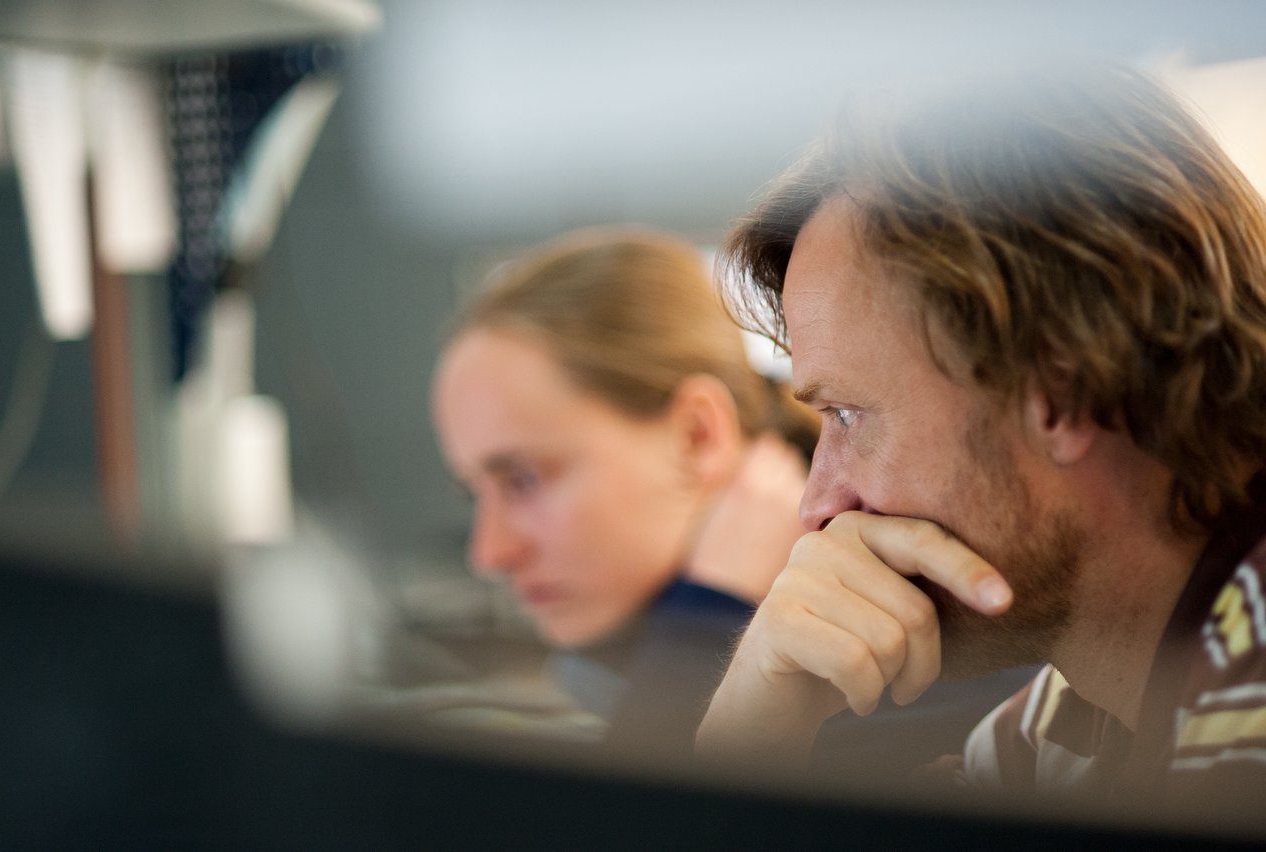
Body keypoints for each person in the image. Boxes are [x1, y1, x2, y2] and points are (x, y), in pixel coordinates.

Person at [694, 60, 1266, 817]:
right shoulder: (1078, 715)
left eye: (847, 415)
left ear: (1064, 393)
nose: (817, 506)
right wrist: (749, 738)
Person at [431, 226, 818, 754]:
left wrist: (707, 624)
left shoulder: (871, 671)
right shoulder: (606, 668)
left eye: (523, 479)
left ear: (697, 436)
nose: (490, 554)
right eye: (474, 493)